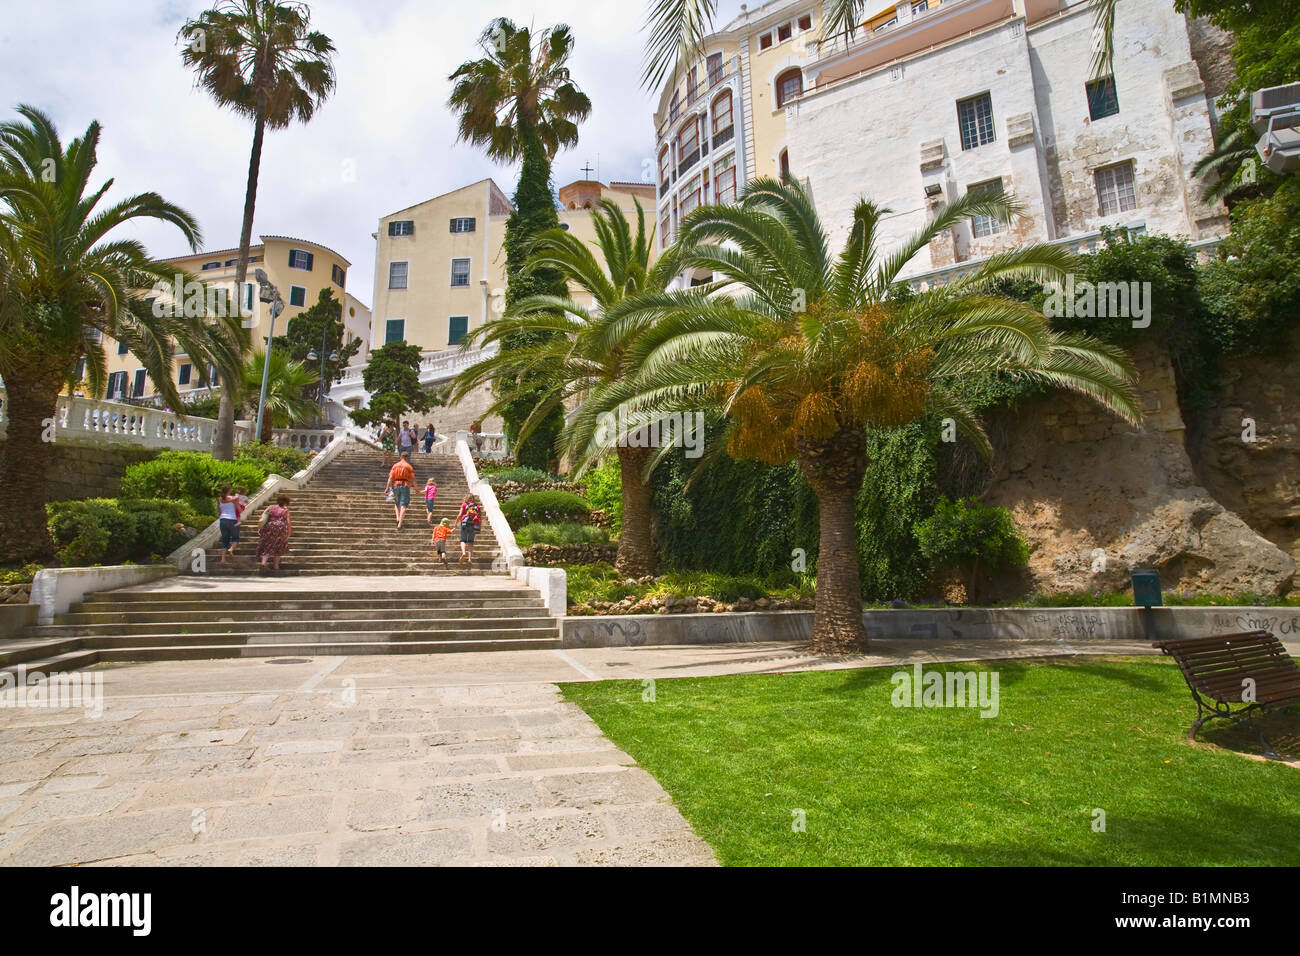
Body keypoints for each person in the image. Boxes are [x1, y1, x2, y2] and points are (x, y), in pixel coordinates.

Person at [257, 494, 293, 571]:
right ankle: (276, 566)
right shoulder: (285, 510)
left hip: (269, 527)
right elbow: (288, 522)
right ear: (286, 502)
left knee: (267, 544)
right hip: (280, 529)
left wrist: (260, 528)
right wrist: (289, 532)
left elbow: (262, 517)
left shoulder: (270, 507)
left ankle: (263, 562)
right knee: (279, 547)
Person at [385, 451, 416, 529]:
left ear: (400, 457)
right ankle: (400, 524)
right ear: (407, 457)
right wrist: (416, 488)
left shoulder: (395, 466)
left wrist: (387, 488)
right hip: (405, 485)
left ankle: (398, 518)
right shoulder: (408, 466)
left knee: (396, 503)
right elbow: (413, 479)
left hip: (395, 485)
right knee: (403, 505)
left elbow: (390, 478)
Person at [217, 484, 240, 563]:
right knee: (235, 538)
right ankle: (231, 549)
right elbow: (239, 510)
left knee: (224, 540)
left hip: (223, 520)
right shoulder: (233, 498)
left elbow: (219, 511)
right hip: (232, 519)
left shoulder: (219, 499)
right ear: (229, 490)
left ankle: (223, 559)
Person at [456, 493, 482, 565]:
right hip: (473, 525)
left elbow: (460, 514)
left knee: (462, 540)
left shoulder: (464, 504)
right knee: (470, 542)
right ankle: (469, 559)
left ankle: (464, 553)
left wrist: (456, 523)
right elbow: (480, 517)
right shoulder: (477, 506)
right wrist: (479, 526)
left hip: (464, 524)